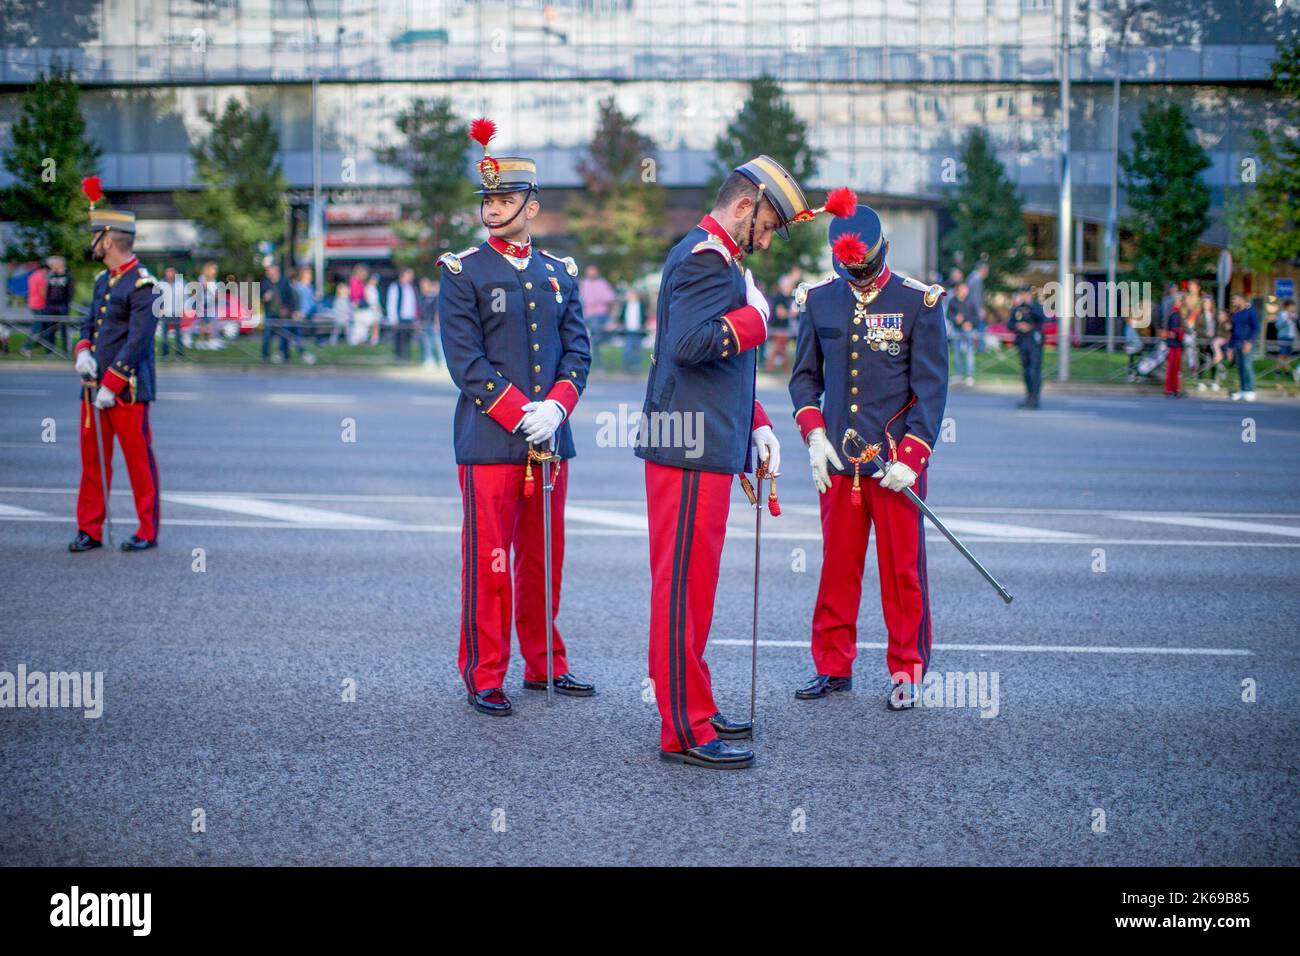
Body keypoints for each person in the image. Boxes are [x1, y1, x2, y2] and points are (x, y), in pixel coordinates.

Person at [637, 156, 853, 769]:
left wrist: (756, 422)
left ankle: (692, 704)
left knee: (692, 592)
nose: (767, 239)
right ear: (744, 206)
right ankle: (685, 730)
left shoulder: (717, 259)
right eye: (767, 225)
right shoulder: (706, 259)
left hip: (699, 439)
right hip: (686, 447)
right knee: (682, 593)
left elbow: (713, 367)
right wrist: (756, 319)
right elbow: (686, 346)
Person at [438, 116, 596, 717]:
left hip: (550, 439)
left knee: (543, 559)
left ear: (532, 205)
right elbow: (465, 360)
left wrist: (556, 406)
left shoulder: (560, 273)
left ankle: (544, 663)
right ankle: (484, 672)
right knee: (490, 561)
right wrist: (516, 411)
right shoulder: (464, 272)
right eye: (488, 198)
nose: (493, 207)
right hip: (489, 440)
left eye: (505, 198)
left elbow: (579, 352)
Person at [788, 203, 949, 711]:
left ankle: (907, 669)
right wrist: (814, 436)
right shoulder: (819, 301)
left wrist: (914, 456)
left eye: (866, 270)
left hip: (895, 464)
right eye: (850, 274)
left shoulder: (918, 302)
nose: (858, 282)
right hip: (839, 462)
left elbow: (931, 389)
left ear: (885, 252)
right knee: (837, 567)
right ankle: (833, 666)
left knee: (902, 572)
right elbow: (804, 380)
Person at [69, 202, 163, 553]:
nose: (92, 241)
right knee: (92, 462)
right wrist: (82, 352)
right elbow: (89, 322)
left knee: (139, 463)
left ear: (108, 240)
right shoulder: (102, 281)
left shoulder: (145, 285)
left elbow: (139, 341)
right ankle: (88, 529)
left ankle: (147, 529)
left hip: (127, 393)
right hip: (93, 390)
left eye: (96, 235)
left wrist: (112, 384)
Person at [1010, 285, 1045, 408]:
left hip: (1034, 342)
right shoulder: (1018, 308)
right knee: (1026, 371)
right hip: (1023, 342)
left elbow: (1041, 318)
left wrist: (1029, 326)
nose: (1024, 296)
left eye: (1026, 294)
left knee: (1033, 371)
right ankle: (1029, 396)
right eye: (1023, 294)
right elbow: (1010, 324)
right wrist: (1018, 326)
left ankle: (1034, 398)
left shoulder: (1036, 306)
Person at [578, 264, 616, 371]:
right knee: (591, 340)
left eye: (593, 271)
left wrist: (609, 317)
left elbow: (610, 300)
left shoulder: (602, 283)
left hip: (600, 316)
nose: (592, 273)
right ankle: (594, 363)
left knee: (596, 340)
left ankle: (598, 363)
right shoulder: (583, 284)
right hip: (588, 317)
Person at [260, 262, 296, 364]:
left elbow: (290, 298)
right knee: (267, 335)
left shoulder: (284, 282)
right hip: (270, 313)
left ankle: (285, 356)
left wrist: (291, 310)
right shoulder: (266, 282)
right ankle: (264, 356)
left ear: (275, 270)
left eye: (270, 270)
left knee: (285, 335)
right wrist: (265, 297)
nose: (268, 272)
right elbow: (261, 295)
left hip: (282, 314)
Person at [1229, 292, 1259, 401]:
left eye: (1235, 299)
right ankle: (1243, 389)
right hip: (1237, 342)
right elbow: (1233, 331)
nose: (1233, 302)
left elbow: (1255, 328)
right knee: (1240, 367)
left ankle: (1250, 390)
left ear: (1242, 299)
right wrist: (1230, 347)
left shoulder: (1251, 312)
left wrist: (1250, 341)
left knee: (1247, 365)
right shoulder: (1236, 314)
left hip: (1247, 343)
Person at [42, 256, 74, 354]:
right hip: (50, 305)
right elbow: (46, 290)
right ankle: (50, 351)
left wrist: (67, 303)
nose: (52, 266)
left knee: (64, 328)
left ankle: (65, 351)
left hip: (62, 305)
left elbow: (71, 290)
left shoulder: (68, 275)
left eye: (53, 264)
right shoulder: (50, 275)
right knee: (49, 328)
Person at [948, 280, 978, 386]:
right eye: (962, 289)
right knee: (956, 352)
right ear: (958, 290)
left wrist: (968, 322)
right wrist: (955, 318)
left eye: (966, 289)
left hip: (968, 330)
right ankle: (958, 374)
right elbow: (949, 314)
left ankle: (969, 375)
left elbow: (976, 317)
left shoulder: (971, 301)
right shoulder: (952, 301)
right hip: (956, 330)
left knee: (969, 353)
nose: (964, 291)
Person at [387, 267, 418, 360]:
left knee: (407, 339)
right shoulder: (395, 287)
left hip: (409, 317)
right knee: (399, 339)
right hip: (400, 317)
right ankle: (399, 357)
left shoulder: (411, 288)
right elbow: (391, 303)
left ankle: (406, 357)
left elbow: (413, 304)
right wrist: (393, 319)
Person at [20, 260, 47, 356]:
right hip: (39, 304)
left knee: (39, 327)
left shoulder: (33, 276)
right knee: (37, 328)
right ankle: (26, 347)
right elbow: (42, 293)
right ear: (44, 270)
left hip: (32, 303)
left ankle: (36, 347)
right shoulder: (41, 278)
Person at [1162, 290, 1185, 397]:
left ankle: (1172, 389)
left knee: (1173, 368)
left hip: (1173, 344)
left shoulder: (1173, 313)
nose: (1182, 303)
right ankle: (1171, 389)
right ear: (1177, 301)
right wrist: (1182, 335)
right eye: (1181, 301)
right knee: (1173, 368)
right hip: (1175, 344)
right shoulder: (1175, 314)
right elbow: (1175, 331)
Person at [159, 265, 185, 357]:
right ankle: (165, 353)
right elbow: (158, 297)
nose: (169, 274)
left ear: (175, 273)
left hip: (176, 312)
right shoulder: (161, 283)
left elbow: (184, 297)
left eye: (171, 272)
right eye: (167, 272)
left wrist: (183, 309)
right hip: (165, 312)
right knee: (164, 335)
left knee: (178, 334)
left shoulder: (181, 283)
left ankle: (179, 353)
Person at [417, 275, 441, 369]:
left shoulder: (434, 297)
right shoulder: (422, 297)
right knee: (426, 343)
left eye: (424, 285)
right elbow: (420, 312)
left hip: (433, 323)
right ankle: (429, 360)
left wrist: (437, 323)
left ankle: (442, 361)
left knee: (437, 343)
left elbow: (437, 311)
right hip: (424, 323)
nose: (423, 288)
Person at [619, 285, 644, 372]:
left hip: (638, 330)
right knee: (627, 350)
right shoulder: (626, 305)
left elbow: (643, 317)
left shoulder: (640, 305)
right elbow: (622, 317)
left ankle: (637, 367)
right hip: (628, 331)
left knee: (637, 350)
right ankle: (627, 367)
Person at [1274, 299, 1296, 382]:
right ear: (1287, 307)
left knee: (1287, 356)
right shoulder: (1282, 315)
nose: (1293, 308)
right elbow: (1278, 326)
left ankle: (1286, 371)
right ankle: (1278, 370)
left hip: (1291, 337)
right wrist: (1287, 319)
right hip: (1283, 337)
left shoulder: (1294, 315)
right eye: (1292, 306)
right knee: (1282, 355)